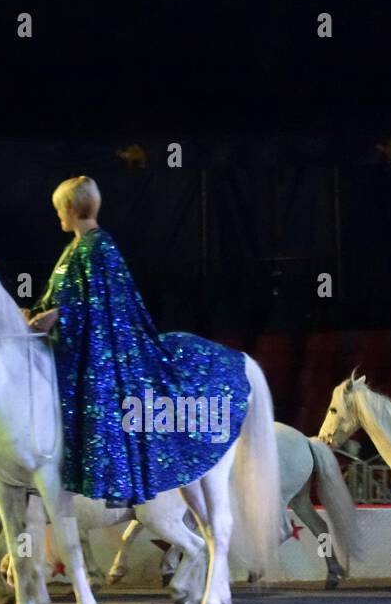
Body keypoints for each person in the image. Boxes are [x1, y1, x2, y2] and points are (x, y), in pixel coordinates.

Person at [26, 176, 249, 506]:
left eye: (59, 208)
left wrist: (61, 316)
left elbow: (106, 307)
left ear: (71, 208)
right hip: (70, 351)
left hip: (97, 356)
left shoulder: (100, 247)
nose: (58, 215)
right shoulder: (73, 250)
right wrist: (37, 312)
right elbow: (60, 296)